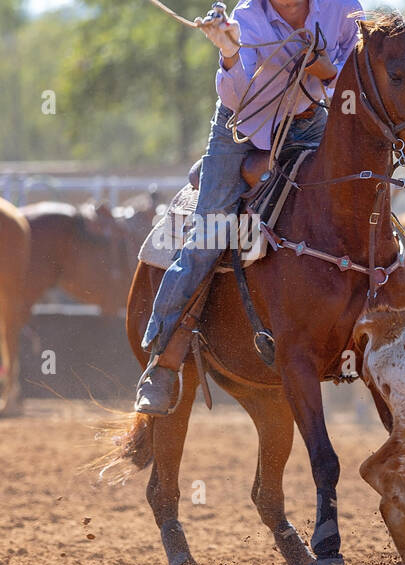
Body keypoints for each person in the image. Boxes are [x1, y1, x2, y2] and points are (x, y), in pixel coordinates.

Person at [134, 0, 363, 415]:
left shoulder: (343, 7)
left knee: (356, 199)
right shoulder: (248, 19)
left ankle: (372, 332)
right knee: (209, 234)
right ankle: (164, 363)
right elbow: (240, 99)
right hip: (242, 129)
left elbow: (351, 77)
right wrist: (230, 53)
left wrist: (324, 68)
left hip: (310, 121)